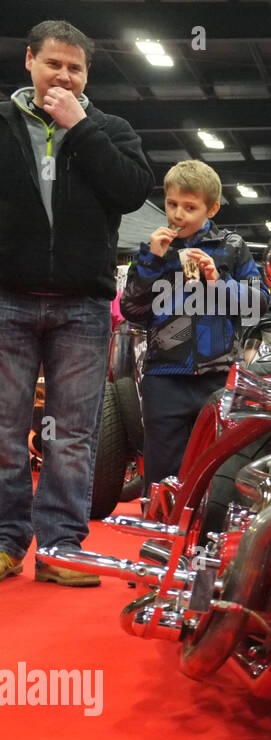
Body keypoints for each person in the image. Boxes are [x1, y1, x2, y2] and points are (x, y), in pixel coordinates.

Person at [0, 20, 153, 587]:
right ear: (29, 62)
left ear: (87, 74)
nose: (64, 75)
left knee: (74, 434)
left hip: (83, 305)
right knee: (4, 431)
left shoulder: (109, 128)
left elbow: (132, 189)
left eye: (76, 67)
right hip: (7, 299)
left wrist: (81, 127)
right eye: (54, 64)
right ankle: (5, 541)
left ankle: (62, 546)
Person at [119, 160, 267, 486]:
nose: (178, 214)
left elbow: (258, 304)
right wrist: (150, 262)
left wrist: (218, 282)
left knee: (215, 471)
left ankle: (209, 533)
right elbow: (130, 309)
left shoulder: (232, 247)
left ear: (211, 209)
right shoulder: (153, 249)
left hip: (217, 379)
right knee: (161, 473)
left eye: (190, 207)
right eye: (172, 204)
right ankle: (162, 531)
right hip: (162, 377)